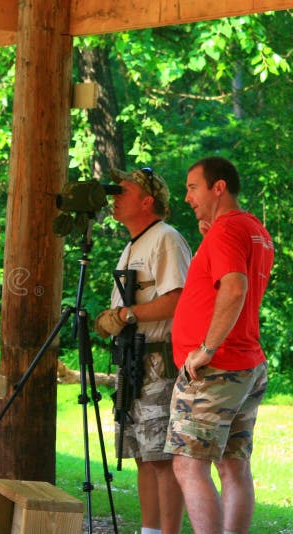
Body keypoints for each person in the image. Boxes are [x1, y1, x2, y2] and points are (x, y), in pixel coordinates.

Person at [164, 157, 274, 534]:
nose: (187, 197)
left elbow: (235, 287)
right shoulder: (253, 229)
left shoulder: (227, 230)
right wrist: (210, 234)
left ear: (219, 187)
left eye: (193, 187)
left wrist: (206, 348)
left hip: (217, 368)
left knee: (188, 464)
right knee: (232, 467)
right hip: (246, 363)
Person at [94, 167, 190, 534]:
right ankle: (149, 530)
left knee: (162, 458)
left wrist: (126, 315)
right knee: (142, 456)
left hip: (158, 361)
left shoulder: (166, 238)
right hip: (133, 361)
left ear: (147, 200)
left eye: (124, 190)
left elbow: (179, 300)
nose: (114, 196)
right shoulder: (133, 244)